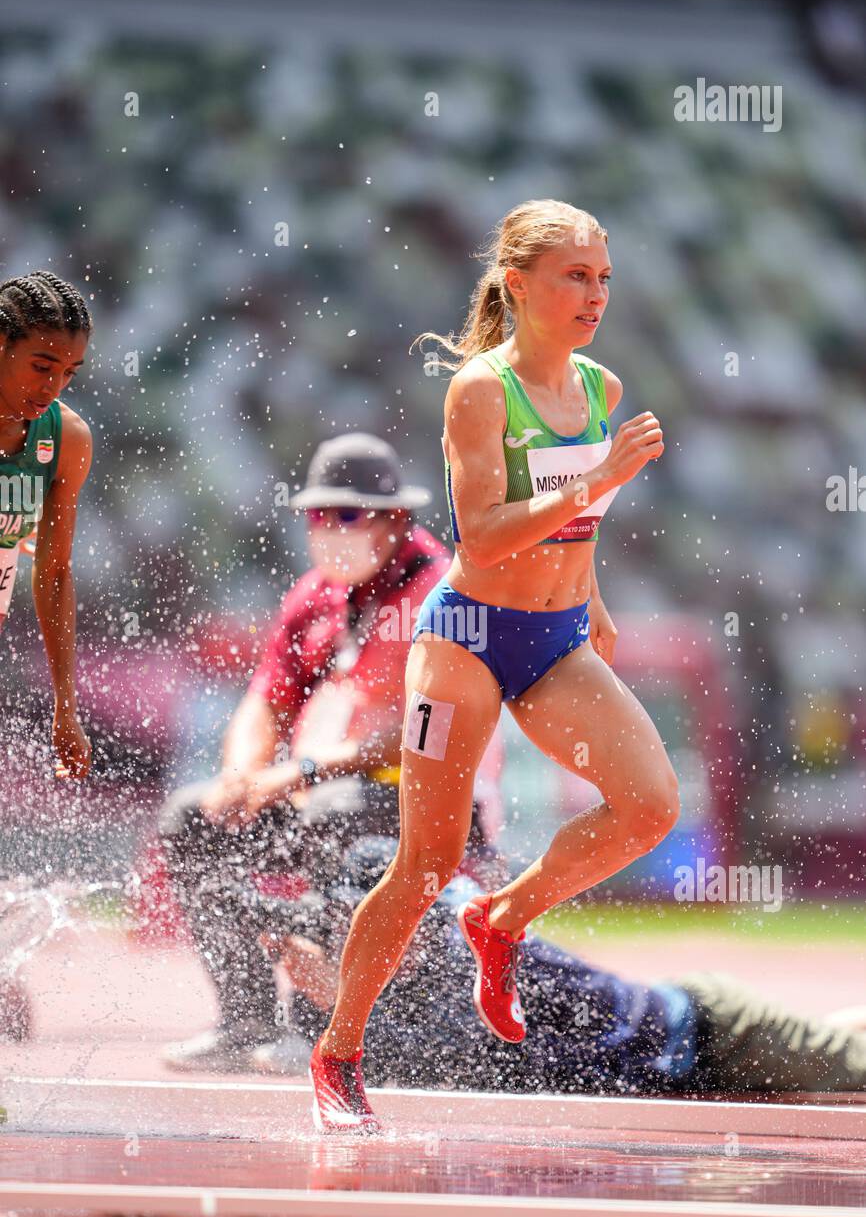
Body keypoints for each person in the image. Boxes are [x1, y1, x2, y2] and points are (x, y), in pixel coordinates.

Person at [310, 198, 680, 1132]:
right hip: (467, 639)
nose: (595, 293)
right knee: (426, 863)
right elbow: (477, 542)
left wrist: (590, 602)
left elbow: (577, 525)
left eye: (603, 276)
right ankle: (340, 1051)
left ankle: (504, 918)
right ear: (519, 284)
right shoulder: (481, 390)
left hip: (554, 640)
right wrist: (599, 480)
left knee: (649, 807)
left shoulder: (598, 388)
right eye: (575, 276)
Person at [158, 433, 499, 1073]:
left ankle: (324, 1023)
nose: (326, 531)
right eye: (317, 516)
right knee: (193, 819)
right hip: (322, 790)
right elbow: (267, 697)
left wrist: (301, 771)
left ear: (395, 519)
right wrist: (239, 775)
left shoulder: (442, 595)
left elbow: (423, 725)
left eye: (345, 516)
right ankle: (246, 1018)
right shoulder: (315, 596)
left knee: (333, 811)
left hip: (432, 810)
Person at [265, 838, 866, 1098]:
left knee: (853, 1065)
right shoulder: (440, 943)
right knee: (840, 1042)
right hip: (695, 1038)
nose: (361, 936)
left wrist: (338, 998)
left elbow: (460, 1048)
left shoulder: (475, 955)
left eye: (371, 920)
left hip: (715, 1034)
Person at [0, 271, 93, 779]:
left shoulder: (66, 439)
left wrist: (65, 707)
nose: (52, 386)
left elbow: (54, 573)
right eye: (41, 366)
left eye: (69, 373)